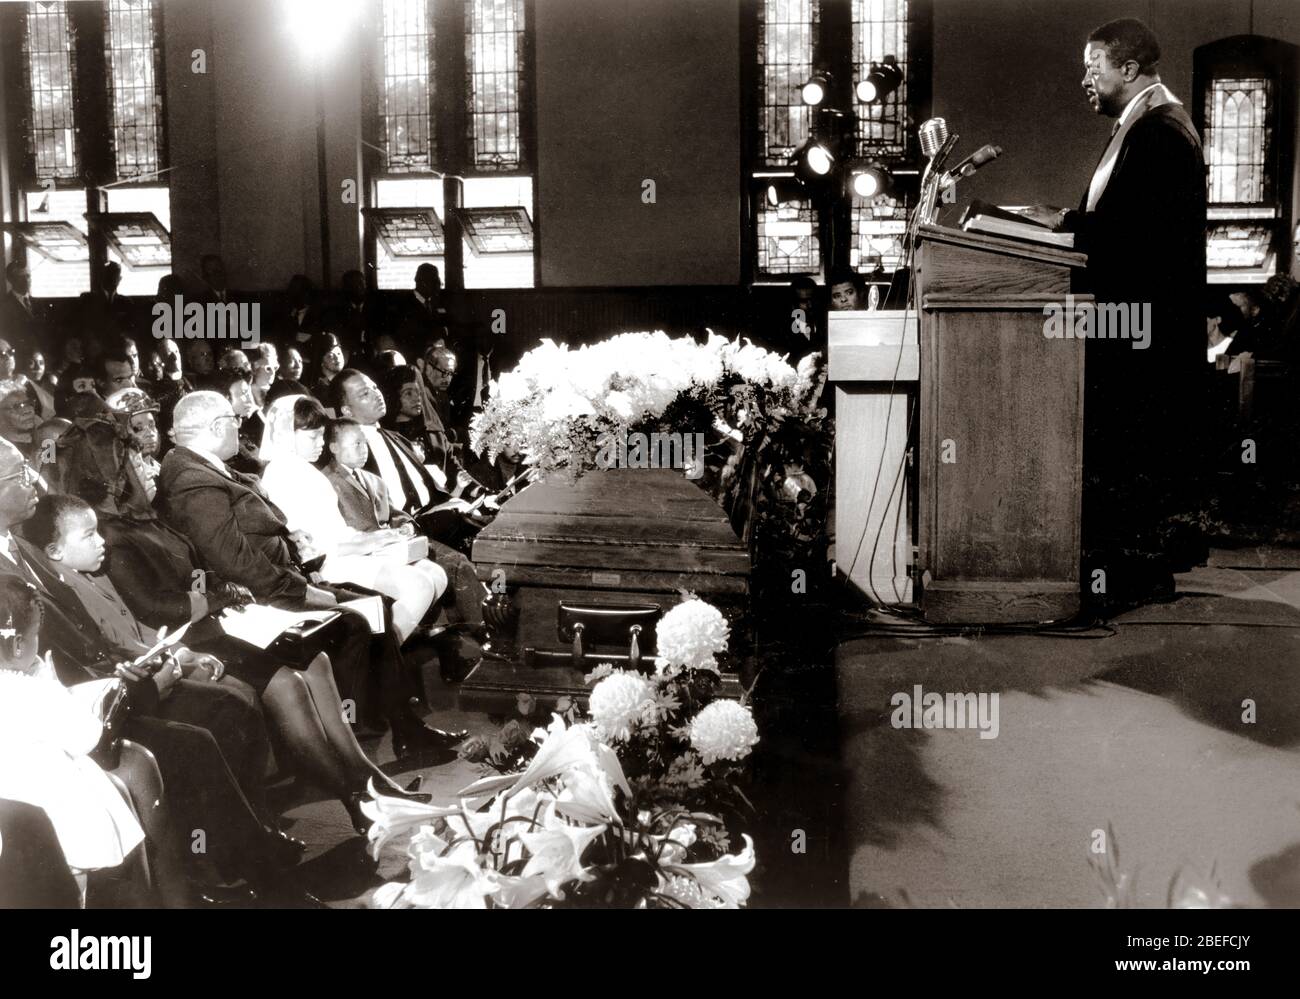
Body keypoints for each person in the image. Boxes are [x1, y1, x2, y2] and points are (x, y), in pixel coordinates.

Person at [155, 392, 463, 758]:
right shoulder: (193, 477)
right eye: (234, 422)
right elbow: (233, 560)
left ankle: (398, 728)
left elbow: (249, 535)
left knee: (375, 609)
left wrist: (291, 542)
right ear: (217, 426)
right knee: (361, 617)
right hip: (260, 598)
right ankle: (359, 734)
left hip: (279, 580)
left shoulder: (208, 468)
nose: (240, 428)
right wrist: (301, 589)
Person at [1051, 17, 1207, 607]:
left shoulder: (1160, 131)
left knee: (1134, 450)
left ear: (1129, 68)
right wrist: (1066, 223)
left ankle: (1133, 578)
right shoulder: (1143, 123)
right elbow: (1127, 222)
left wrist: (1065, 225)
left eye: (1093, 67)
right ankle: (1128, 572)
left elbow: (1138, 239)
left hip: (1144, 329)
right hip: (1133, 320)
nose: (1085, 79)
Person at [257, 394, 446, 643]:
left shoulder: (302, 468)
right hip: (325, 563)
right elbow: (313, 545)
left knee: (436, 574)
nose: (321, 444)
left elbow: (333, 527)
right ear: (286, 434)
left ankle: (392, 644)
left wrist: (374, 538)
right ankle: (382, 654)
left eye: (321, 436)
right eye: (312, 437)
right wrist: (367, 543)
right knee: (419, 585)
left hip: (344, 549)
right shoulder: (282, 473)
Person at [1, 262, 41, 353]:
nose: (26, 280)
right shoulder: (3, 305)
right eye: (21, 277)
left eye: (28, 276)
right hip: (20, 358)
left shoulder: (39, 304)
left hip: (41, 358)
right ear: (11, 279)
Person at [307, 332, 347, 406]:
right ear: (321, 361)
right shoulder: (317, 392)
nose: (337, 358)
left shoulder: (348, 382)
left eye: (339, 353)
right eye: (330, 356)